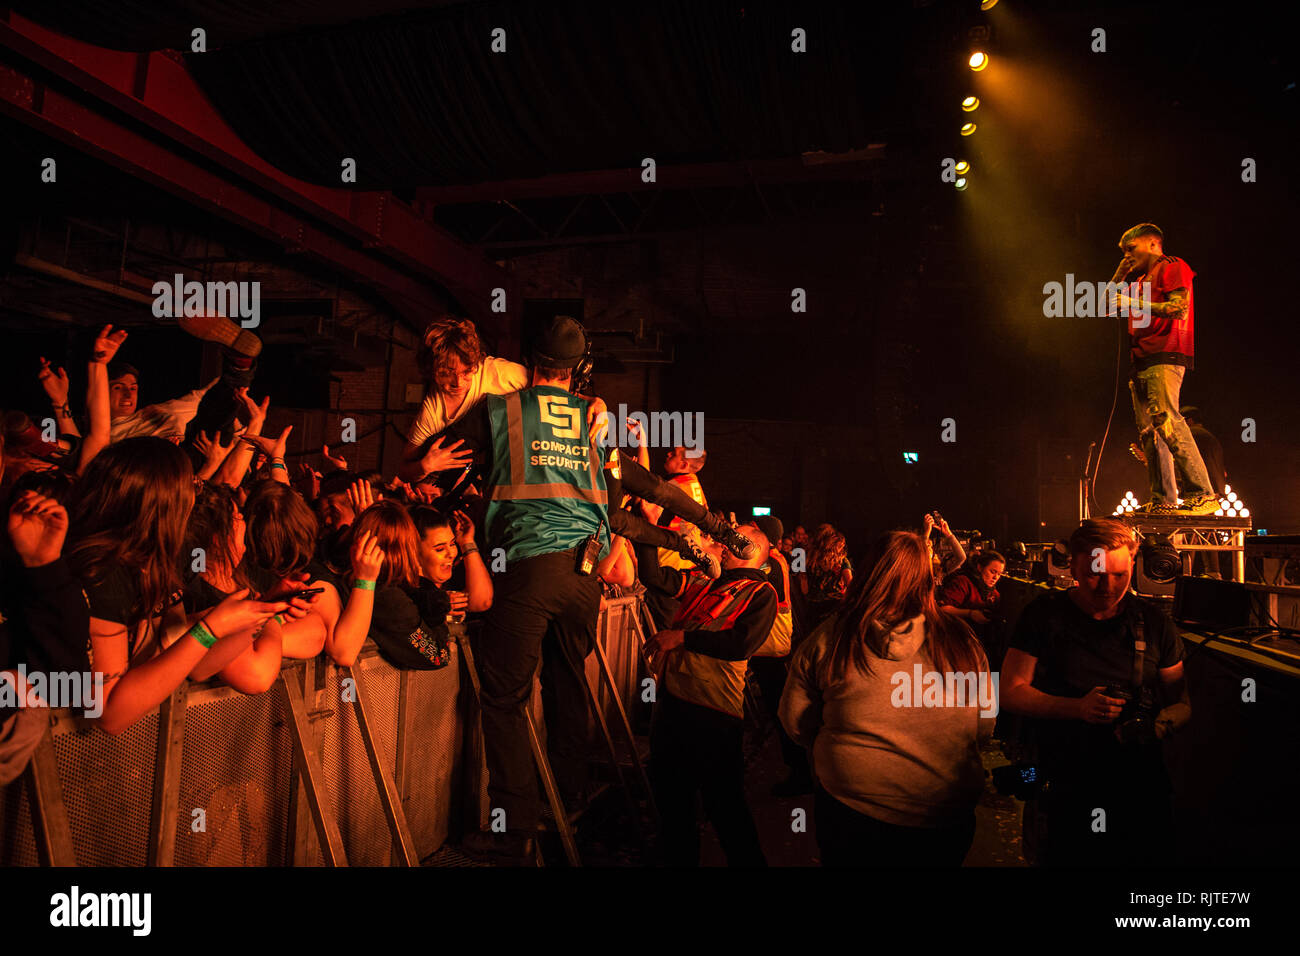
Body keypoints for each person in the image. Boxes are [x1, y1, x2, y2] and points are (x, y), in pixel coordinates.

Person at [780, 530, 993, 867]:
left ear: (868, 571)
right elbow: (984, 724)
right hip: (944, 816)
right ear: (928, 577)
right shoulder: (963, 640)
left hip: (853, 812)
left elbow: (794, 721)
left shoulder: (831, 637)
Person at [67, 439, 293, 734]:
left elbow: (193, 665)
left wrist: (261, 614)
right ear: (162, 501)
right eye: (192, 486)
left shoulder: (166, 560)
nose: (195, 496)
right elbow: (108, 713)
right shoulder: (102, 573)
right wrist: (209, 629)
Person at [1000, 518, 1191, 866]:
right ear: (1072, 564)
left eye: (1119, 574)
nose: (1107, 586)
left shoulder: (1154, 623)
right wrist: (1078, 708)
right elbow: (1011, 691)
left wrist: (1158, 726)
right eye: (1094, 573)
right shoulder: (1043, 616)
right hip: (1062, 782)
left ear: (1133, 563)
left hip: (1138, 785)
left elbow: (1181, 703)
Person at [639, 523, 778, 867]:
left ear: (754, 549)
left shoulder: (760, 592)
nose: (722, 543)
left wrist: (682, 638)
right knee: (673, 803)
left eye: (733, 539)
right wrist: (647, 529)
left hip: (714, 714)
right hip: (673, 706)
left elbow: (741, 645)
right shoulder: (705, 581)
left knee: (725, 806)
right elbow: (654, 577)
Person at [1109, 223, 1216, 516]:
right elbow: (1106, 304)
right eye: (1123, 252)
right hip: (1141, 358)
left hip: (1165, 353)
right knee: (1149, 431)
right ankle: (1163, 498)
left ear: (1153, 244)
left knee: (1167, 419)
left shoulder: (1172, 265)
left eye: (1131, 249)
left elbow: (1179, 307)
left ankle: (1203, 493)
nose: (1127, 255)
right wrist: (1121, 273)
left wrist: (1131, 301)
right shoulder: (1139, 278)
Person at [397, 315, 527, 484]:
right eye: (446, 374)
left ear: (475, 363)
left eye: (466, 371)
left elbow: (546, 385)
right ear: (431, 371)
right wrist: (425, 466)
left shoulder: (498, 373)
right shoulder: (432, 413)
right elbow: (403, 471)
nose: (458, 382)